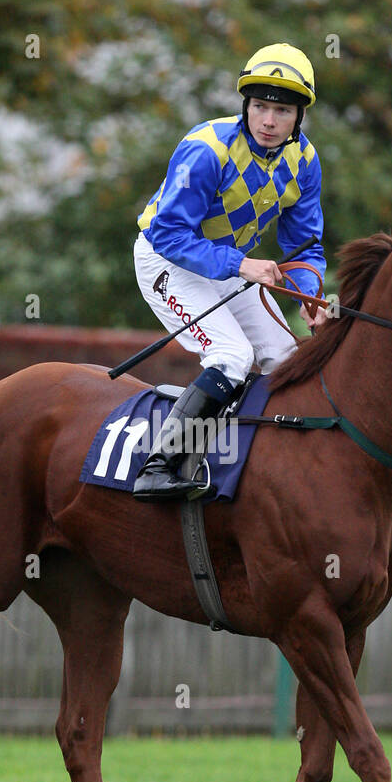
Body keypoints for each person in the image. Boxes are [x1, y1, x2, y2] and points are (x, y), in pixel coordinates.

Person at [132, 41, 328, 499]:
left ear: (299, 116)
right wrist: (242, 264)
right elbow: (170, 236)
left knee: (288, 361)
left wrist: (311, 301)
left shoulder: (305, 161)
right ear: (246, 105)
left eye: (281, 110)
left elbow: (304, 245)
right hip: (166, 261)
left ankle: (265, 469)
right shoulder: (206, 149)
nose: (268, 120)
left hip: (229, 267)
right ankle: (159, 466)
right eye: (260, 106)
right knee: (232, 357)